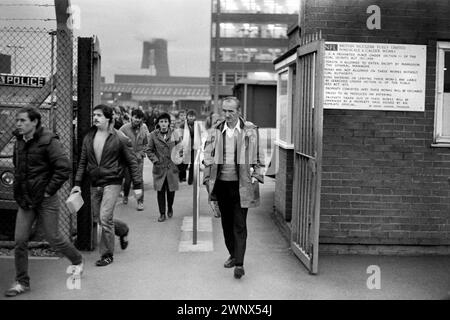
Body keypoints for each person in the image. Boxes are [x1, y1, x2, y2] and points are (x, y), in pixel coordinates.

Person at [4, 107, 84, 297]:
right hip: (26, 199)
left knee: (53, 238)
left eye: (23, 121)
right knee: (20, 240)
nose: (18, 124)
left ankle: (77, 259)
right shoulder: (19, 141)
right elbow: (18, 166)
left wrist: (48, 191)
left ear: (35, 122)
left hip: (46, 199)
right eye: (17, 120)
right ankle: (22, 282)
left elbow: (64, 168)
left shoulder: (49, 140)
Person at [72, 104, 142, 267]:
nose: (95, 118)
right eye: (94, 115)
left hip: (113, 181)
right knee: (100, 218)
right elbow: (83, 161)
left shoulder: (119, 137)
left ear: (109, 118)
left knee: (104, 217)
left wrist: (137, 184)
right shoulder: (88, 137)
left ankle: (107, 254)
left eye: (99, 115)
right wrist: (77, 183)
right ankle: (122, 229)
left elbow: (132, 161)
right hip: (95, 182)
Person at [202, 96, 264, 279]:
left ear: (239, 112)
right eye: (225, 111)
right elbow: (207, 157)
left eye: (231, 111)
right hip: (221, 185)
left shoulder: (251, 131)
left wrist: (255, 176)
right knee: (226, 225)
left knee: (239, 224)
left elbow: (259, 156)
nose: (227, 115)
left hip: (242, 185)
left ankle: (239, 264)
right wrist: (207, 181)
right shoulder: (215, 131)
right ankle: (233, 253)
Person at [147, 112, 182, 222]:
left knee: (171, 191)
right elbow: (149, 150)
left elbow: (180, 148)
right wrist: (155, 161)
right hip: (160, 167)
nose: (163, 124)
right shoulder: (153, 135)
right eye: (161, 121)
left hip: (172, 167)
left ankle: (170, 207)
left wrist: (178, 158)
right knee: (160, 191)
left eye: (166, 122)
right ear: (158, 123)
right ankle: (162, 213)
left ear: (169, 123)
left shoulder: (175, 134)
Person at [119, 109, 149, 211]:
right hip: (128, 159)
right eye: (135, 117)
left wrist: (142, 152)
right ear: (131, 117)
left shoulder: (144, 128)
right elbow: (118, 142)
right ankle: (126, 195)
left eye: (139, 118)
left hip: (139, 159)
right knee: (127, 181)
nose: (137, 120)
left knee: (138, 180)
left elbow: (147, 143)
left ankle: (140, 202)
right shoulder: (124, 128)